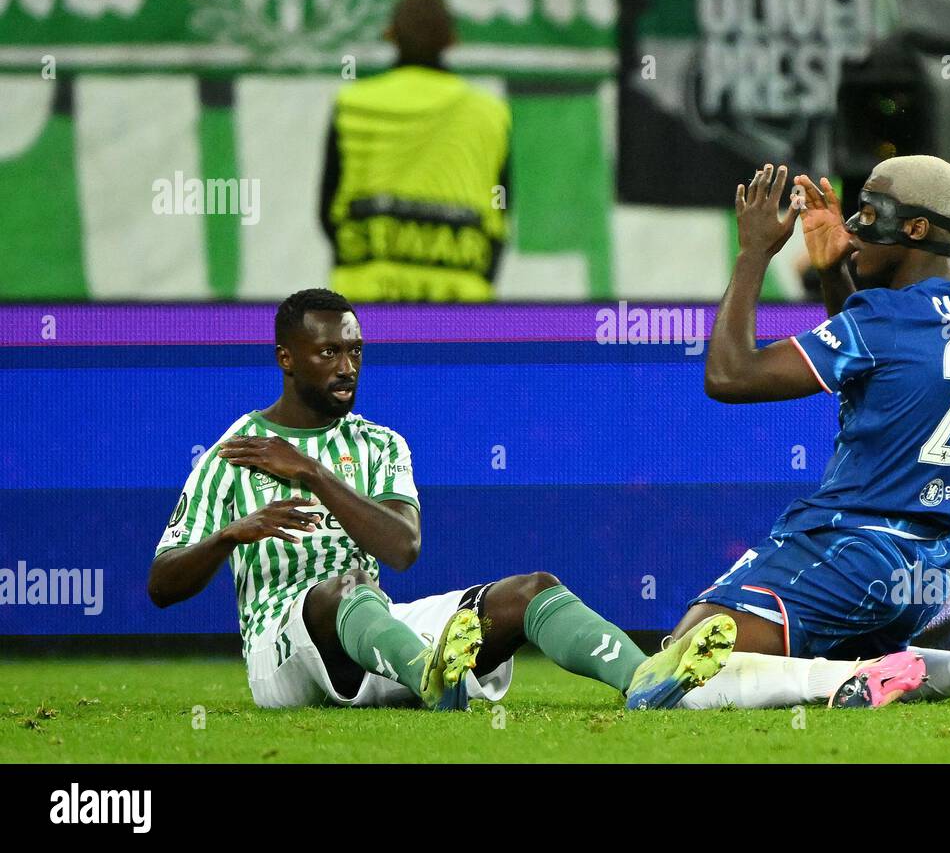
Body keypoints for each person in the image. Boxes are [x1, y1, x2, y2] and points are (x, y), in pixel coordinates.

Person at [148, 288, 735, 711]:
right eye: (328, 353)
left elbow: (402, 548)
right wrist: (230, 535)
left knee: (531, 590)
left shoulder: (380, 445)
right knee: (349, 589)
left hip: (375, 632)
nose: (347, 367)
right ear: (286, 358)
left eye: (355, 351)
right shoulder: (236, 453)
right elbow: (162, 585)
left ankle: (643, 678)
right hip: (279, 654)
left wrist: (314, 473)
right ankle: (431, 673)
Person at [661, 157, 950, 709]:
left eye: (870, 212)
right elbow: (871, 370)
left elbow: (730, 376)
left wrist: (755, 253)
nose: (853, 227)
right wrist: (835, 272)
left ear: (916, 228)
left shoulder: (885, 319)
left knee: (679, 670)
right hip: (926, 566)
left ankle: (844, 686)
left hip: (849, 550)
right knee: (824, 661)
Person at [319, 0, 510, 302]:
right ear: (453, 40)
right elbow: (501, 211)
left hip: (366, 301)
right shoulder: (490, 113)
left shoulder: (353, 104)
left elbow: (328, 210)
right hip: (459, 303)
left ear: (390, 34)